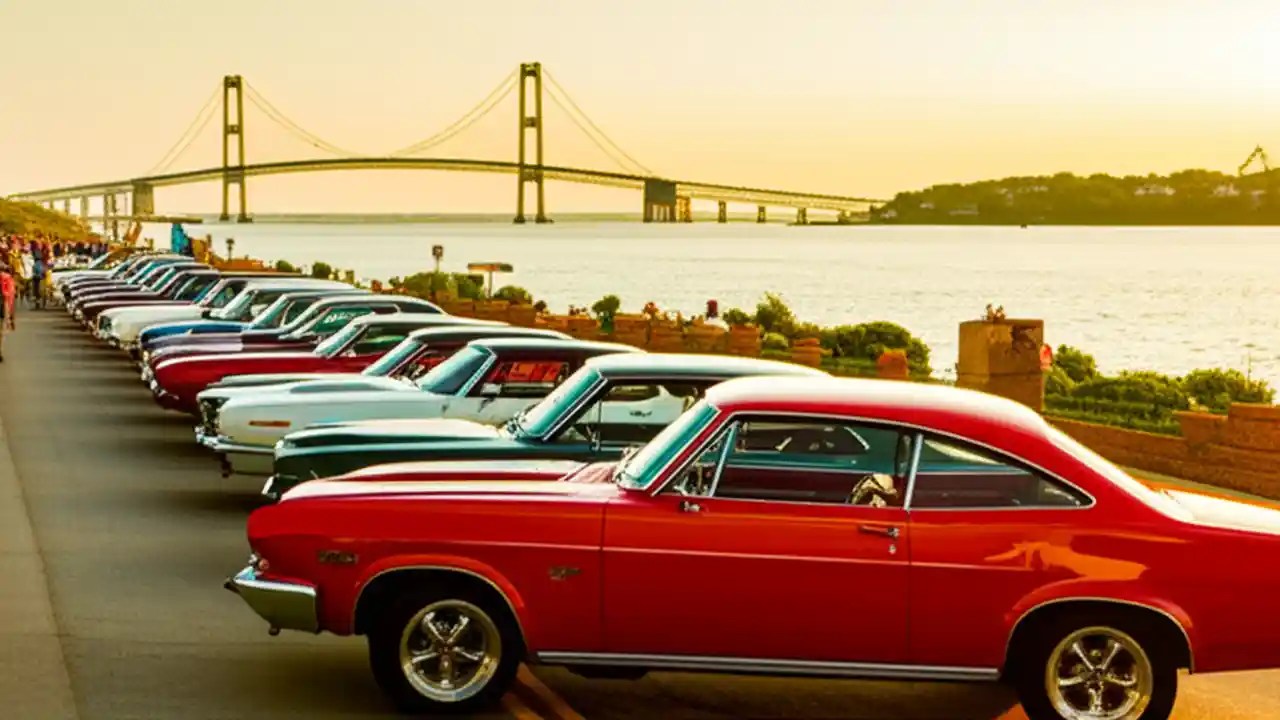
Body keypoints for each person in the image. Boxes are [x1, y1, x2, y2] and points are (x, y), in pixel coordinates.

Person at [0, 262, 16, 362]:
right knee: (1, 330)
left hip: (3, 304)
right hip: (3, 305)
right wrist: (11, 316)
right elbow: (10, 297)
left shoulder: (7, 279)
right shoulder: (8, 279)